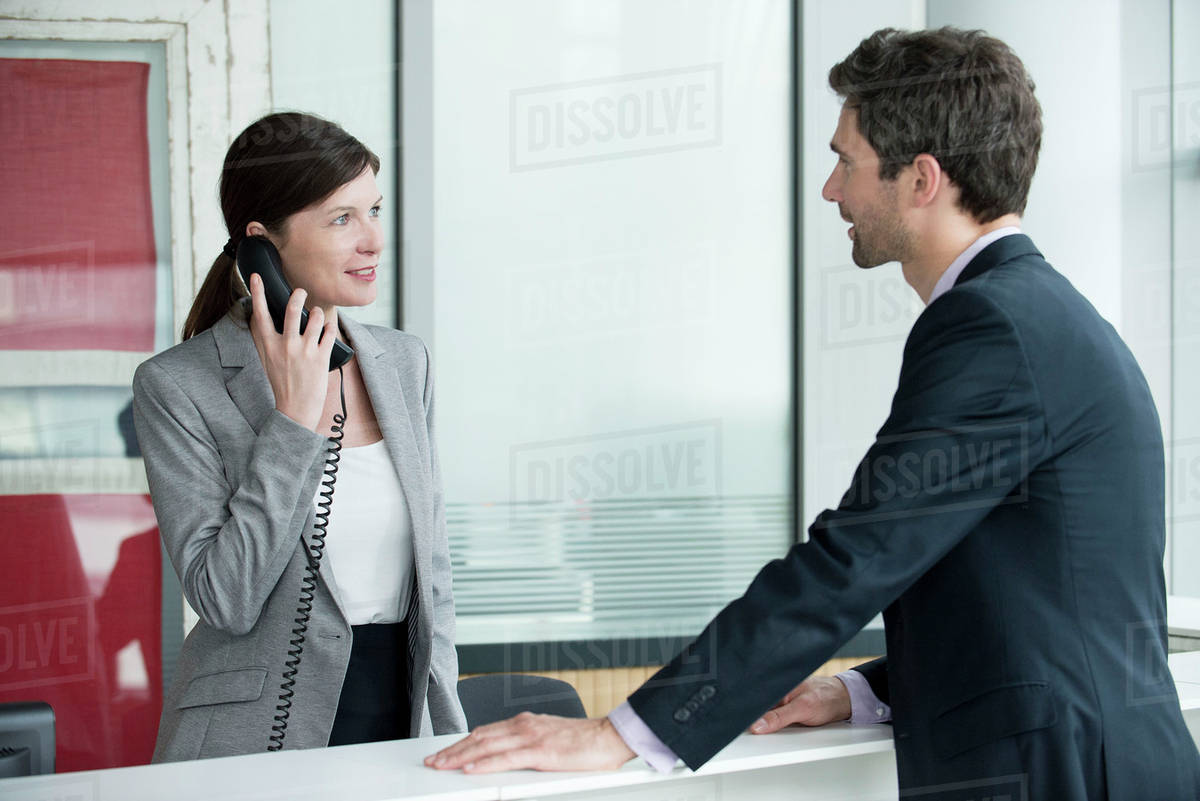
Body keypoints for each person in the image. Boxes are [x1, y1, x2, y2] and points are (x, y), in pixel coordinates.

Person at [426, 27, 1200, 799]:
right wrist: (860, 690)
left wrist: (621, 731)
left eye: (846, 161)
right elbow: (1030, 596)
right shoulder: (1048, 315)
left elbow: (854, 557)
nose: (832, 190)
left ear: (922, 179)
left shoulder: (991, 325)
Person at [133, 112, 465, 761]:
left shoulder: (404, 363)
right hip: (252, 738)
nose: (373, 239)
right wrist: (292, 419)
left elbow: (436, 575)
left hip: (402, 721)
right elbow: (225, 596)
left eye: (373, 209)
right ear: (262, 243)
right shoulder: (178, 385)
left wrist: (445, 719)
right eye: (342, 219)